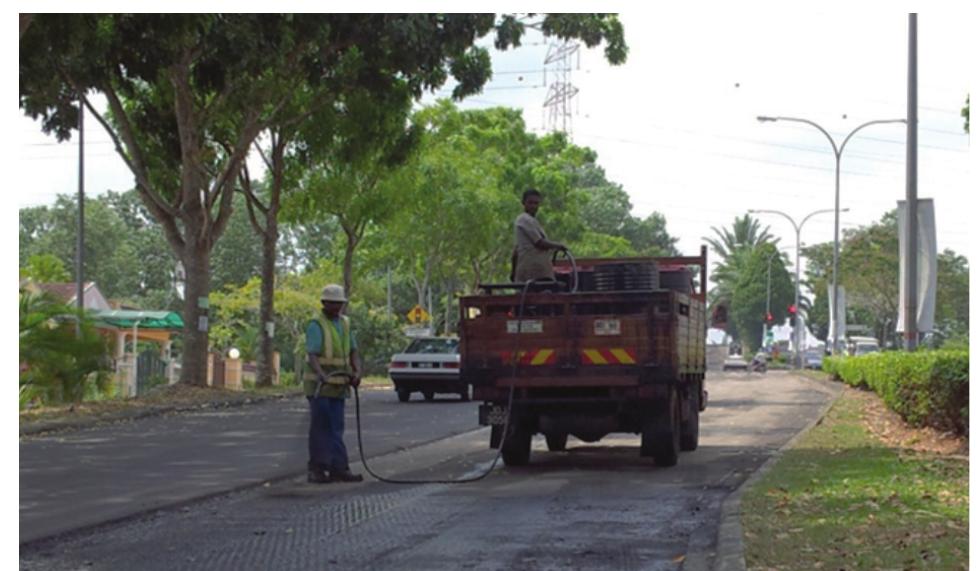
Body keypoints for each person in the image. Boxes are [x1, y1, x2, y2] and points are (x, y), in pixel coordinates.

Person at [303, 284, 363, 484]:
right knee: (321, 427)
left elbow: (353, 350)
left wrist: (357, 372)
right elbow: (312, 354)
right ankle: (317, 469)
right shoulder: (316, 324)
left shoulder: (345, 323)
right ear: (324, 303)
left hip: (339, 386)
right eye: (333, 303)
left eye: (340, 304)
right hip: (320, 387)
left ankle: (339, 468)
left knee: (336, 428)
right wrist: (321, 374)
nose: (337, 307)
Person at [510, 188, 567, 283]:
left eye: (536, 203)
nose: (533, 206)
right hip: (532, 271)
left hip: (540, 271)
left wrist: (513, 271)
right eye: (530, 203)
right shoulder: (524, 219)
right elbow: (539, 242)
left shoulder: (533, 222)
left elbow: (516, 251)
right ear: (523, 203)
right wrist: (558, 246)